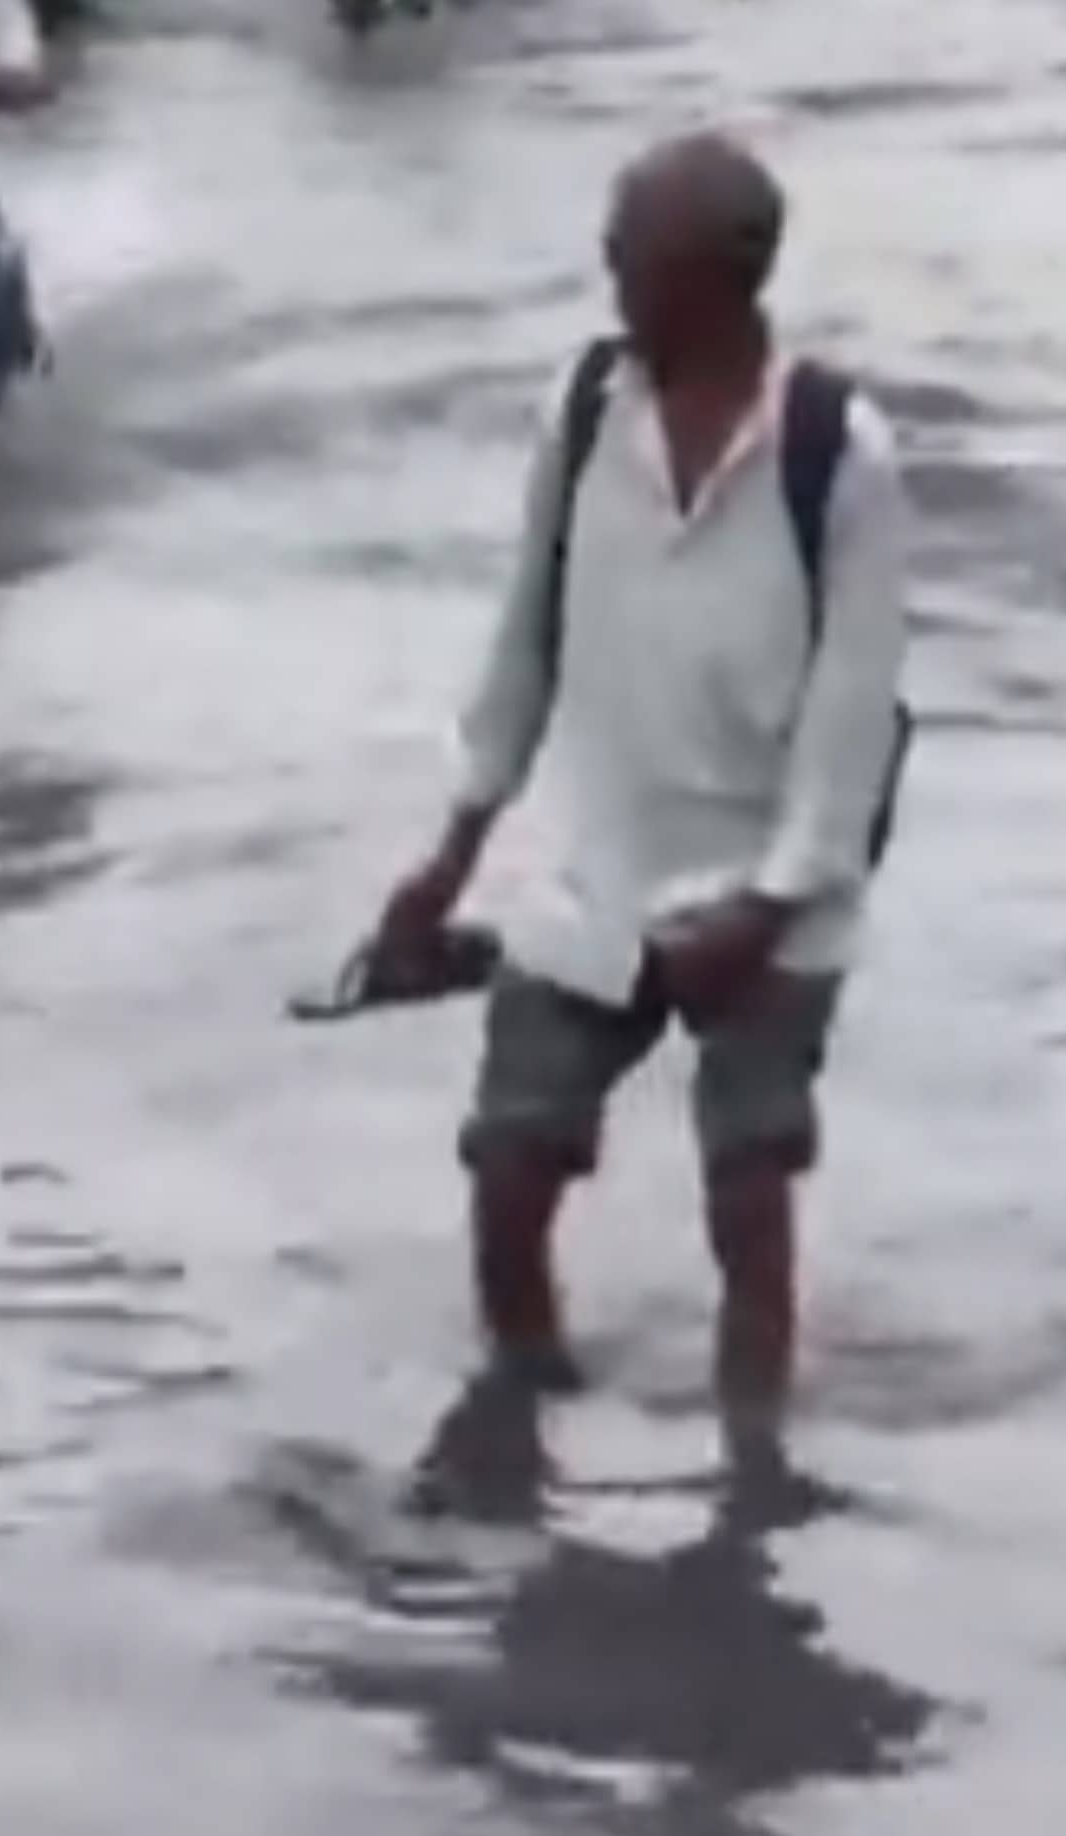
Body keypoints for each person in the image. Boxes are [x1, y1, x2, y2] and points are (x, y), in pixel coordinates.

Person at [368, 131, 913, 1409]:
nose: (606, 269)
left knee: (749, 1188)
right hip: (604, 871)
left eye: (630, 250)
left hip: (779, 882)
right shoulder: (580, 414)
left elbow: (852, 720)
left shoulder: (839, 454)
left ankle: (753, 1472)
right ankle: (523, 1422)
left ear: (714, 279)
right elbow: (524, 645)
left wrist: (767, 910)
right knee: (510, 1169)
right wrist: (448, 854)